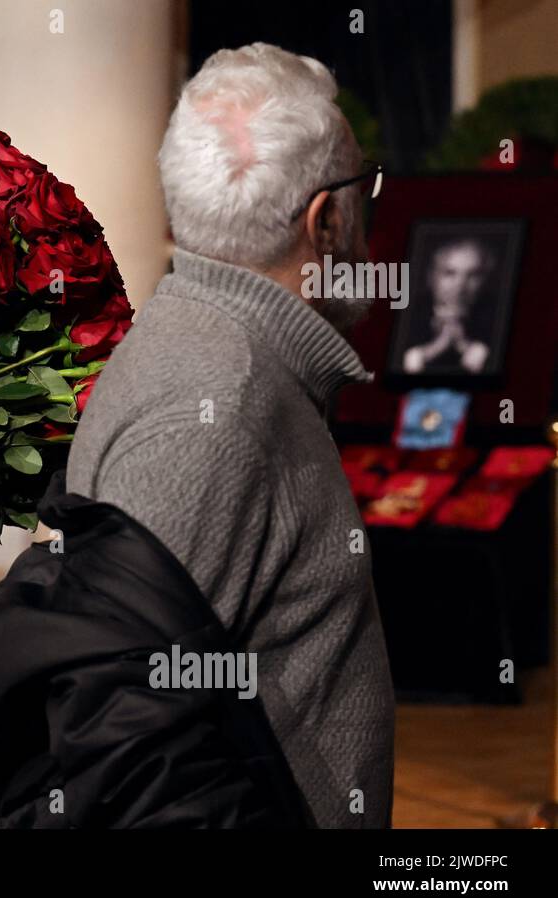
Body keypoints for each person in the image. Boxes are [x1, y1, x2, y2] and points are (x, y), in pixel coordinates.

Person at [66, 43, 395, 827]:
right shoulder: (219, 410)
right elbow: (124, 747)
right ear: (327, 220)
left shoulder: (226, 359)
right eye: (363, 189)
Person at [402, 238, 494, 374]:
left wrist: (466, 346)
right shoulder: (405, 314)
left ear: (485, 280)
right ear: (431, 277)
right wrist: (430, 350)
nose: (460, 285)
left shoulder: (496, 317)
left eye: (473, 275)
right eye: (450, 273)